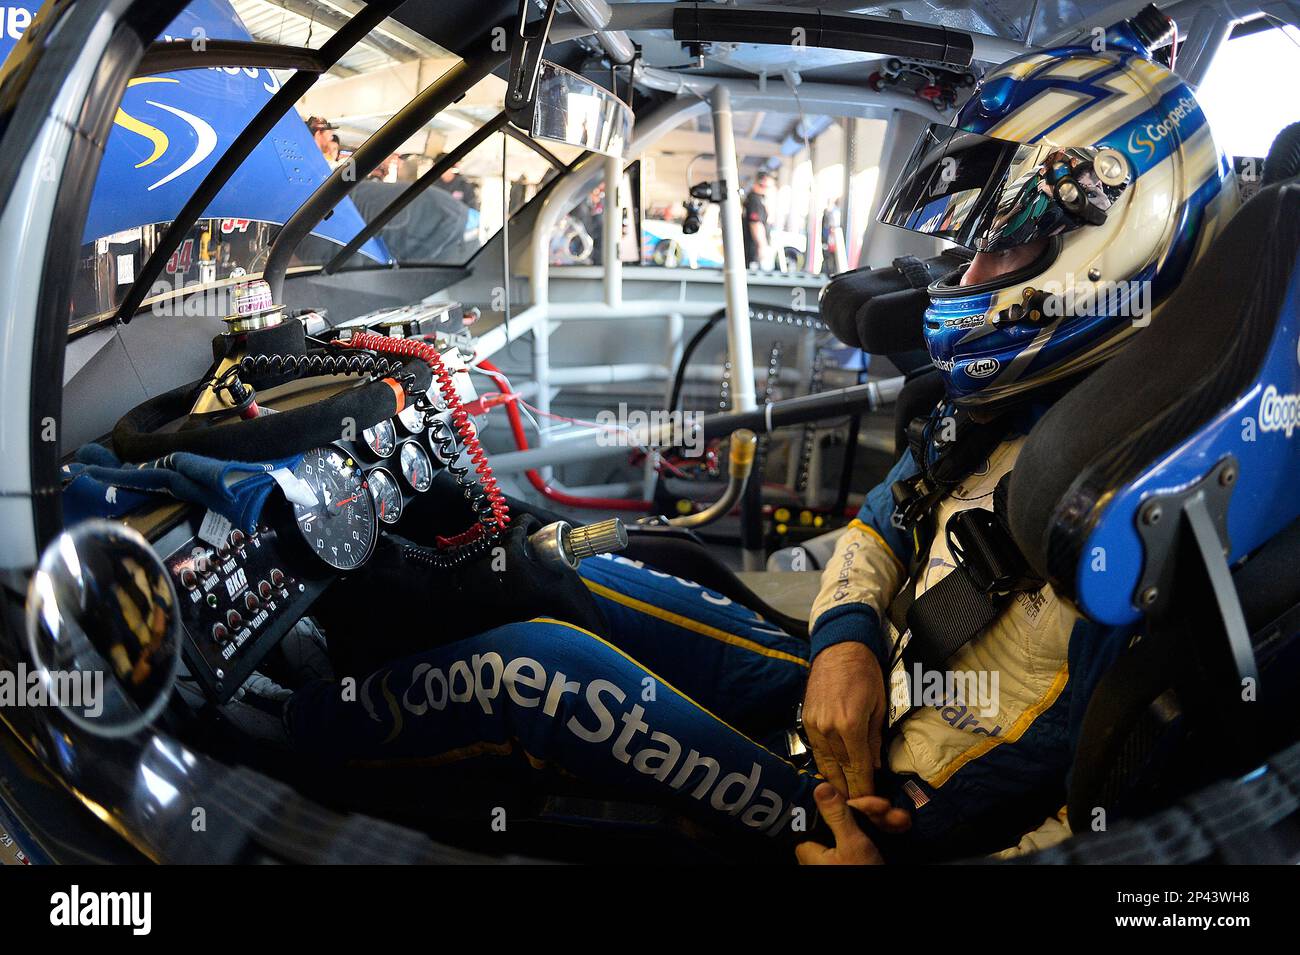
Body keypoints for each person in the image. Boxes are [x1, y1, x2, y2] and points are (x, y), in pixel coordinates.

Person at [285, 13, 1238, 862]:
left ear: (1120, 226)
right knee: (563, 568)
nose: (970, 269)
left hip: (877, 819)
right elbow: (883, 513)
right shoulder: (1020, 398)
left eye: (1005, 241)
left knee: (532, 673)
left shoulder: (1177, 511)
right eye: (969, 236)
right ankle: (340, 616)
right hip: (858, 694)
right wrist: (848, 642)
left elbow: (1118, 818)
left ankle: (272, 748)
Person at [742, 170, 773, 267]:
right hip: (753, 250)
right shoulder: (755, 201)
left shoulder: (754, 199)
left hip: (750, 249)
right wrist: (762, 246)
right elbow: (756, 224)